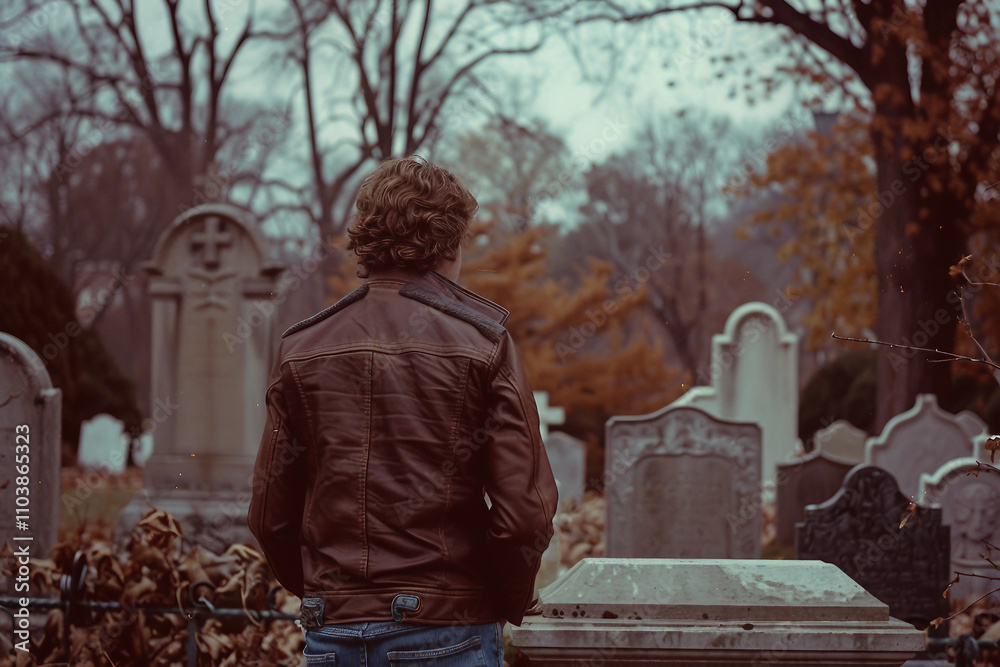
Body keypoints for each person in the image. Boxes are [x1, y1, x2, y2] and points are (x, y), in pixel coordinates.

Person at [248, 155, 558, 666]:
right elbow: (523, 516)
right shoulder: (483, 344)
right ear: (450, 244)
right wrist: (503, 599)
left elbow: (269, 517)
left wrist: (337, 597)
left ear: (365, 240)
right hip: (446, 630)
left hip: (333, 633)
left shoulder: (300, 348)